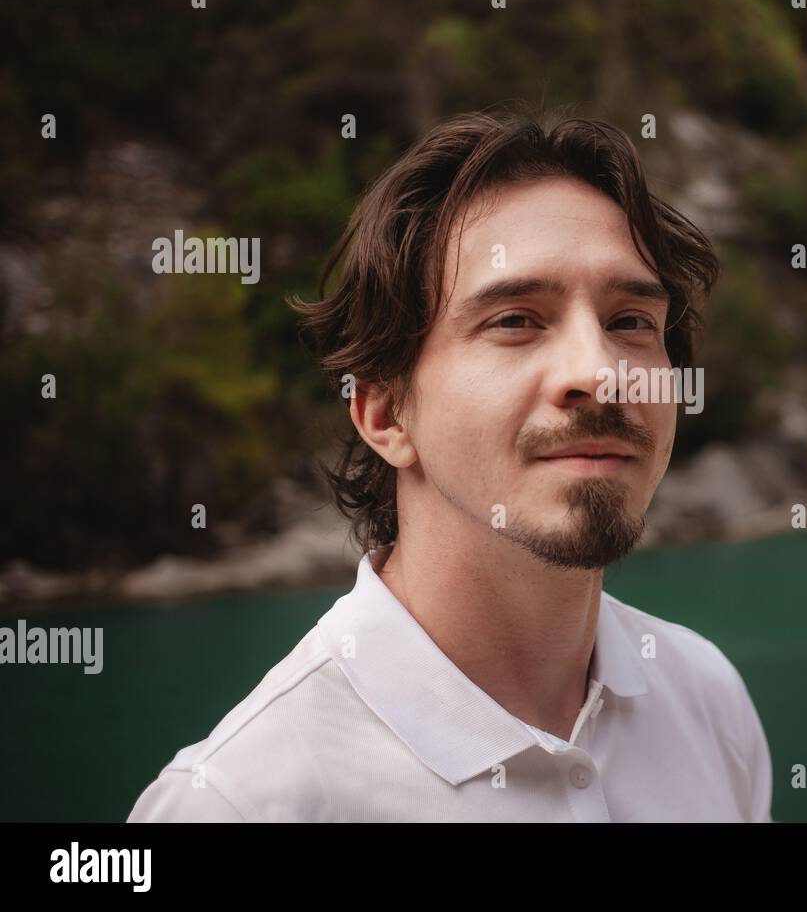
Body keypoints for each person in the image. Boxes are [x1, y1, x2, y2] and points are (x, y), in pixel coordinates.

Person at [128, 106, 772, 822]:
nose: (602, 373)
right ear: (384, 416)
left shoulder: (708, 699)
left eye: (630, 322)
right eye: (515, 320)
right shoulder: (244, 802)